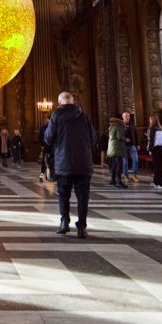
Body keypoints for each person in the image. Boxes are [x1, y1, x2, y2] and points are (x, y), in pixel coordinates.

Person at [43, 91, 96, 238]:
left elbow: (48, 138)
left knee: (63, 195)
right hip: (83, 163)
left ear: (59, 102)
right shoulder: (84, 116)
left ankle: (64, 222)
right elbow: (93, 138)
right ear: (73, 101)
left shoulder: (56, 115)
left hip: (64, 162)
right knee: (83, 197)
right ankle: (82, 228)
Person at [146, 116, 162, 190]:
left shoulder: (153, 129)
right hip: (161, 148)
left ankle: (160, 183)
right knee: (159, 166)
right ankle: (156, 182)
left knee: (157, 166)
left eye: (150, 120)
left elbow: (152, 140)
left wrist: (150, 149)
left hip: (155, 148)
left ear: (152, 121)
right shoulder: (161, 128)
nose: (149, 122)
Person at [107, 113, 127, 188]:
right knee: (119, 165)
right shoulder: (119, 126)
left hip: (112, 147)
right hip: (117, 148)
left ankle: (113, 180)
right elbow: (119, 137)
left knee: (114, 165)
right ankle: (119, 181)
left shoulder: (111, 126)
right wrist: (126, 139)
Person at [122, 111, 139, 183]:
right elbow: (118, 136)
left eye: (128, 116)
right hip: (123, 145)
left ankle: (134, 174)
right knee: (125, 162)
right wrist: (125, 139)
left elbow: (136, 134)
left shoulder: (132, 124)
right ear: (123, 117)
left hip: (132, 145)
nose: (128, 117)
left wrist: (137, 144)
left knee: (135, 160)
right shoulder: (121, 125)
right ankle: (126, 176)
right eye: (126, 116)